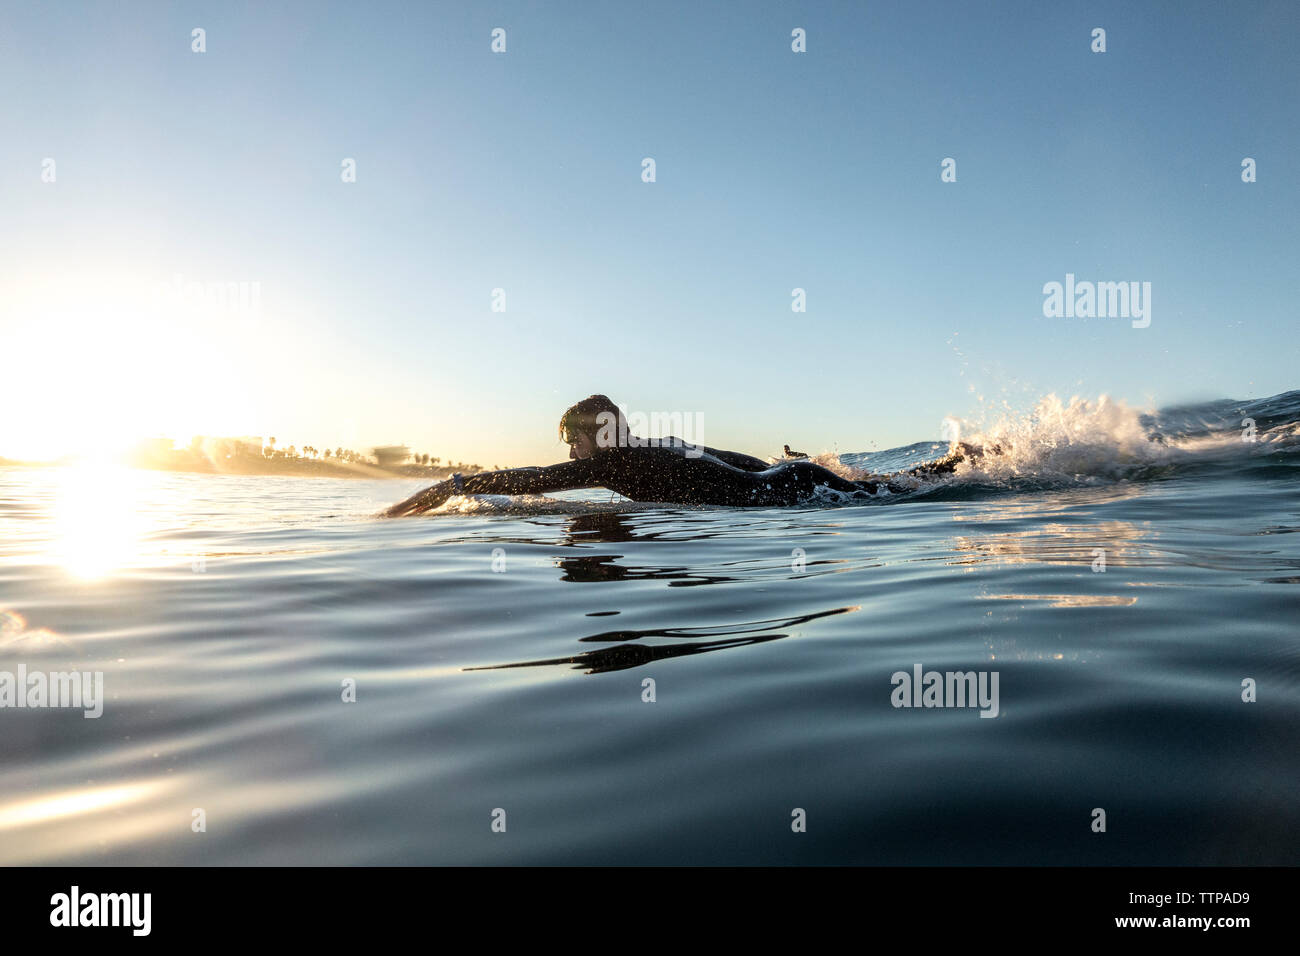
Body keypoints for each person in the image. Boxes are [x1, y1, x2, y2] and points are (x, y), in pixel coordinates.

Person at [382, 395, 977, 517]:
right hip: (790, 480)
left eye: (574, 434)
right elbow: (728, 458)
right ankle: (962, 459)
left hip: (788, 490)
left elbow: (533, 479)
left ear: (599, 433)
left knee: (893, 493)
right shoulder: (652, 446)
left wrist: (455, 484)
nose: (568, 447)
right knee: (893, 488)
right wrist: (781, 466)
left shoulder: (610, 462)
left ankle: (959, 463)